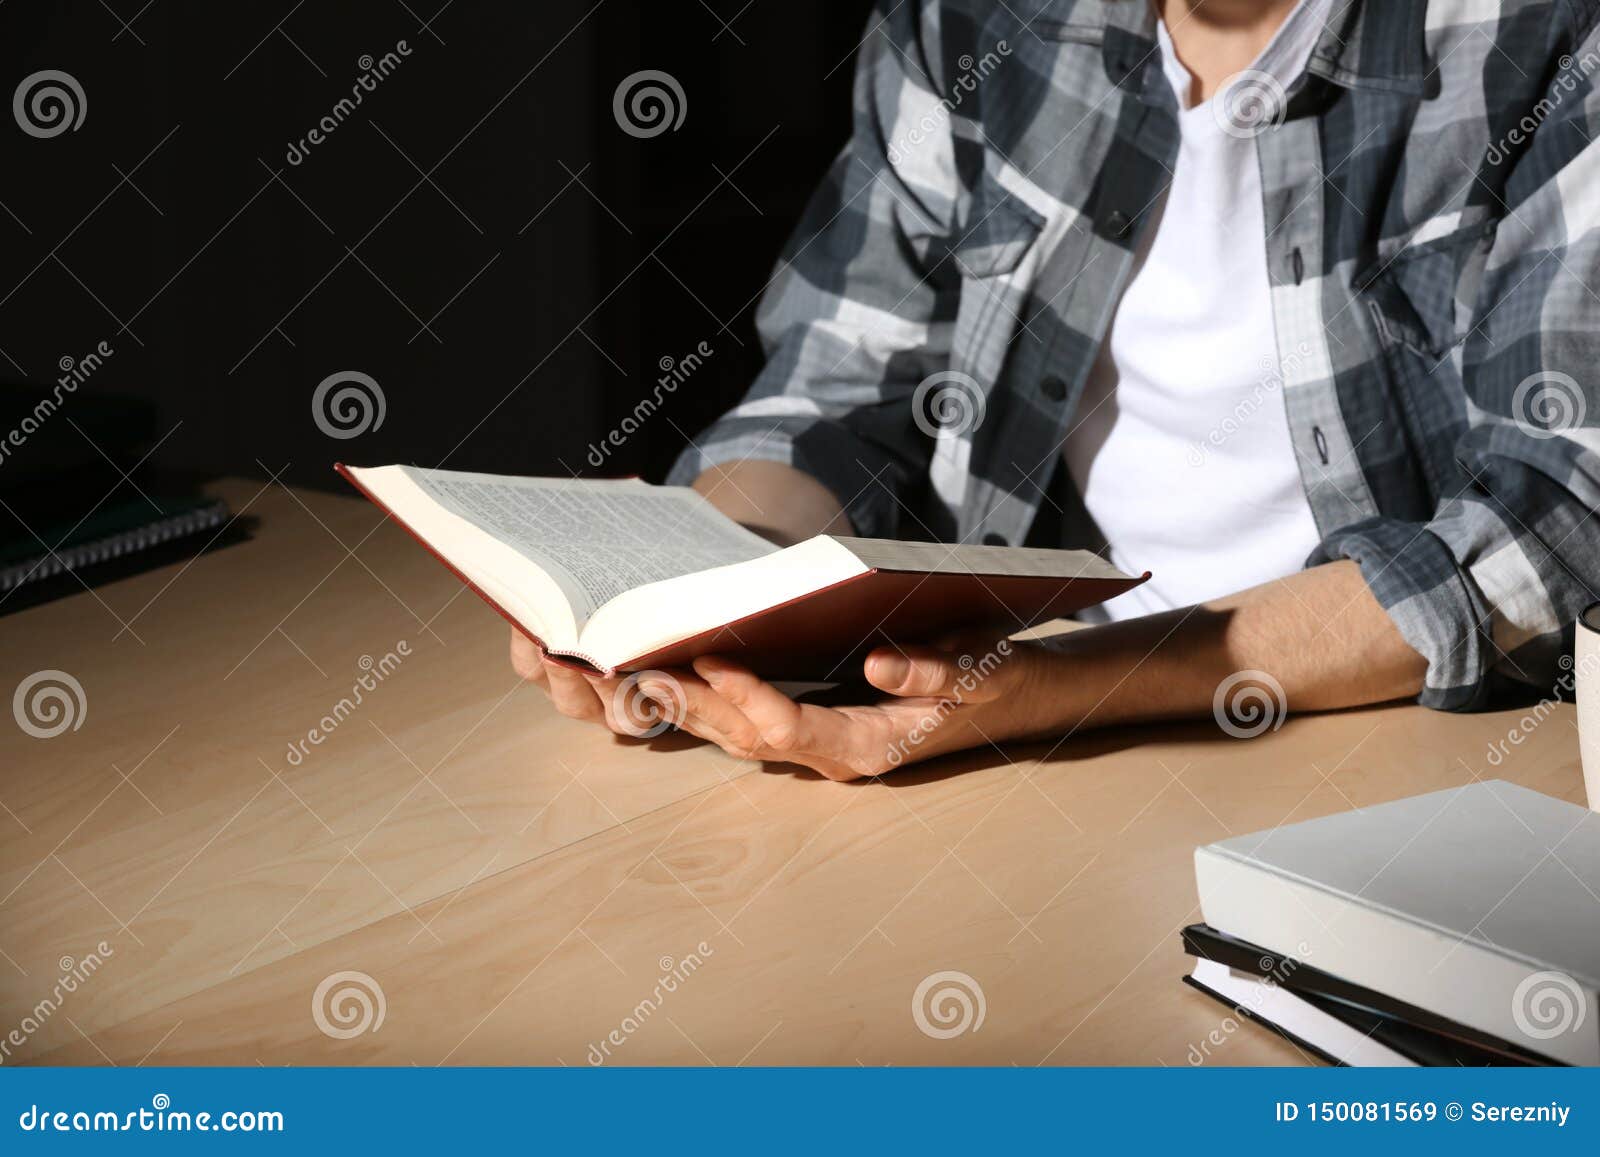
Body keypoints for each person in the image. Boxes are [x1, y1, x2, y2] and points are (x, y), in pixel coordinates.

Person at [513, 0, 1600, 780]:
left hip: (1403, 746)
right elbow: (838, 383)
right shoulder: (969, 25)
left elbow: (1554, 524)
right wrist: (691, 580)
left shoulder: (1546, 38)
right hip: (1019, 723)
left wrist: (1044, 690)